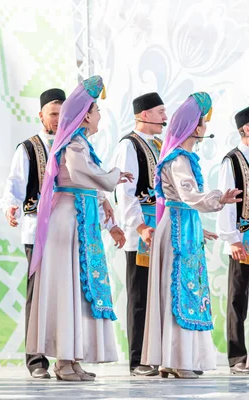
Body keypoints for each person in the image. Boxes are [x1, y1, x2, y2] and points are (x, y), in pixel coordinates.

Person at [26, 76, 132, 382]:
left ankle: (72, 358)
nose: (99, 117)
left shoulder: (80, 142)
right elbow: (83, 173)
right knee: (68, 288)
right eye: (97, 111)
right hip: (69, 221)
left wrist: (105, 191)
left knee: (78, 289)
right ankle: (63, 360)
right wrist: (111, 176)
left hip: (80, 219)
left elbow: (90, 178)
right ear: (86, 114)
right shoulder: (73, 143)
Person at [141, 92, 240, 379]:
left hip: (182, 226)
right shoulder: (179, 159)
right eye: (202, 123)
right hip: (176, 230)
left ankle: (172, 359)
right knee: (180, 292)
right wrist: (219, 198)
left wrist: (199, 226)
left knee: (182, 291)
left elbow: (186, 202)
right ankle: (179, 360)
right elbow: (189, 196)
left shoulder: (183, 157)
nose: (205, 128)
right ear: (194, 127)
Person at [112, 92, 167, 376]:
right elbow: (125, 191)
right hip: (142, 233)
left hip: (160, 229)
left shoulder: (158, 145)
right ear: (144, 114)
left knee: (159, 296)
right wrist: (140, 225)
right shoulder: (129, 145)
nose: (165, 118)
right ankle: (138, 360)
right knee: (140, 296)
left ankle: (157, 355)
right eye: (160, 112)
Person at [216, 105, 249, 375]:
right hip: (244, 238)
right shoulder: (232, 161)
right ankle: (237, 357)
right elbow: (228, 204)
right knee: (238, 298)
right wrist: (233, 239)